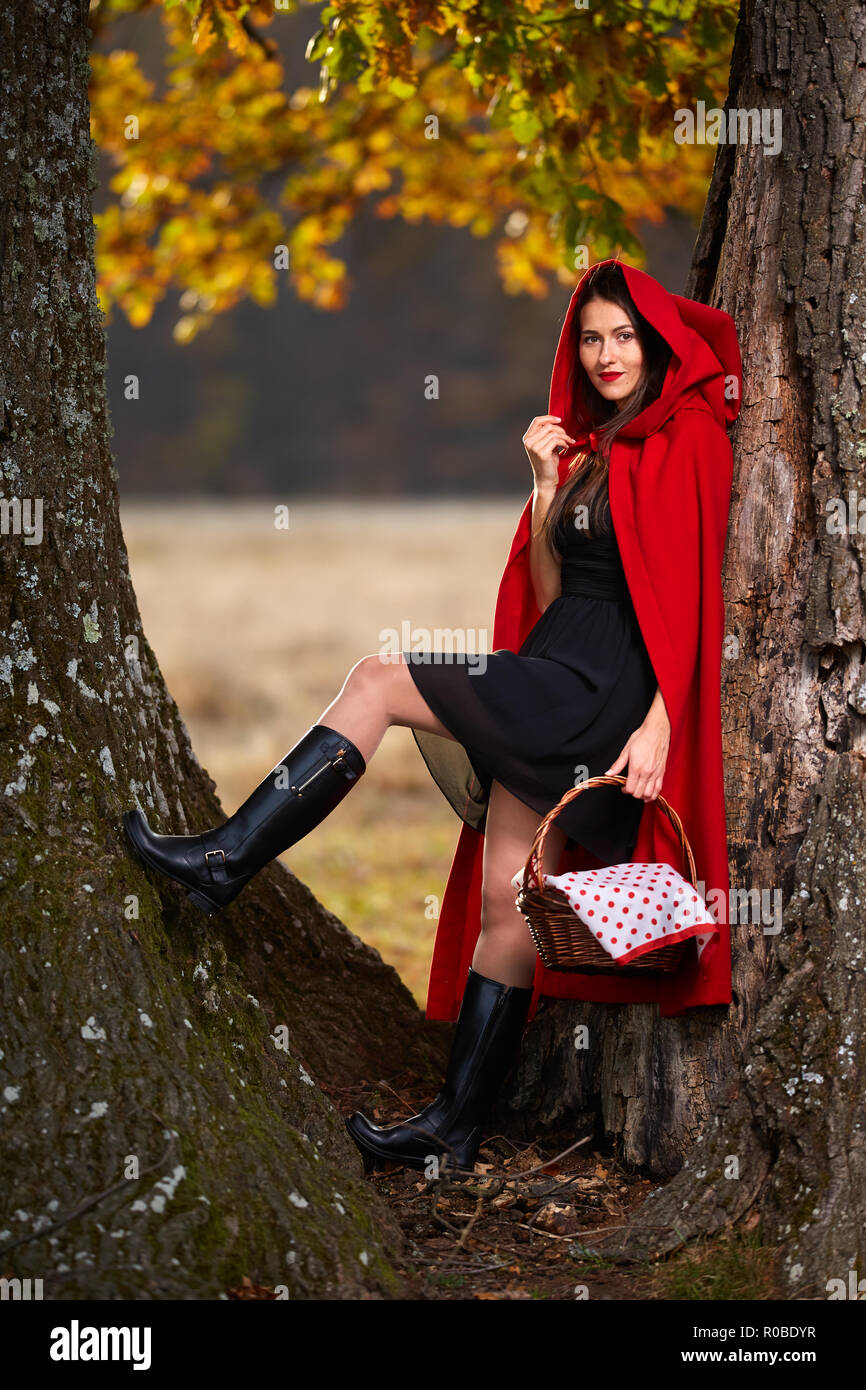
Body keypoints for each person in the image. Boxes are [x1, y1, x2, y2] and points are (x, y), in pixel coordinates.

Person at [124, 258, 740, 1178]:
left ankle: (225, 857)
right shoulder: (593, 443)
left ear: (652, 342)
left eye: (623, 336)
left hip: (604, 698)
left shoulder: (690, 435)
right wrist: (544, 485)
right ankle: (452, 1130)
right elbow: (548, 594)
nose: (606, 353)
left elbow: (694, 602)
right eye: (590, 337)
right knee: (507, 909)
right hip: (553, 671)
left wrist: (660, 726)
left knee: (378, 677)